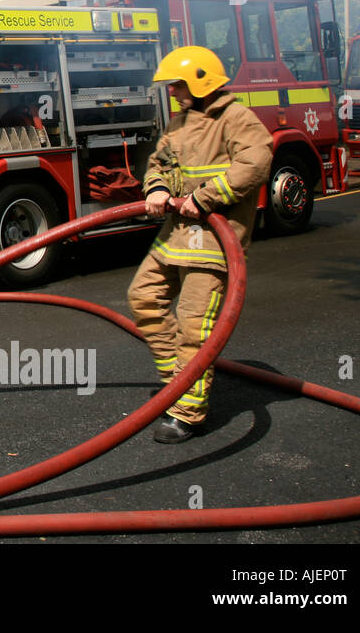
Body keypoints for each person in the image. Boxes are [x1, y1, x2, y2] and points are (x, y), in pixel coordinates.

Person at [128, 46, 272, 443]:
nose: (172, 91)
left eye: (177, 84)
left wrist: (206, 197)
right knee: (143, 296)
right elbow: (159, 163)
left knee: (195, 325)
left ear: (201, 80)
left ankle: (187, 412)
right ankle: (179, 378)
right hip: (175, 235)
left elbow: (256, 163)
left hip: (212, 240)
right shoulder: (180, 121)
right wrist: (156, 188)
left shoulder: (236, 119)